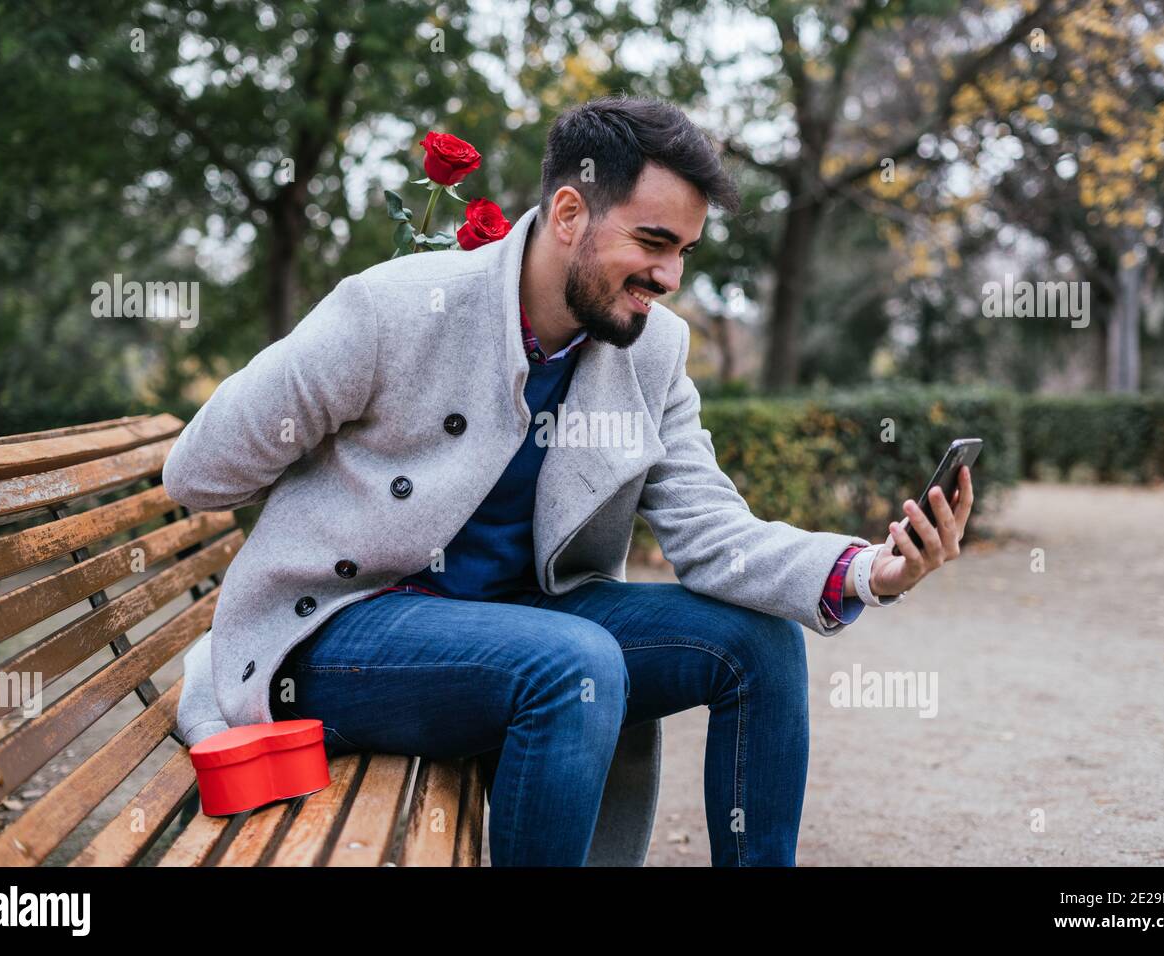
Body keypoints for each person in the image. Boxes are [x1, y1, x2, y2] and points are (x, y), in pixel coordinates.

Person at [164, 94, 974, 866]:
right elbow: (199, 472)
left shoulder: (651, 352)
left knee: (757, 643)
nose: (670, 278)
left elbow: (711, 531)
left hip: (523, 624)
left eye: (684, 252)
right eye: (653, 243)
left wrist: (870, 569)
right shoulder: (395, 311)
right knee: (574, 663)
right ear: (567, 214)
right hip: (339, 634)